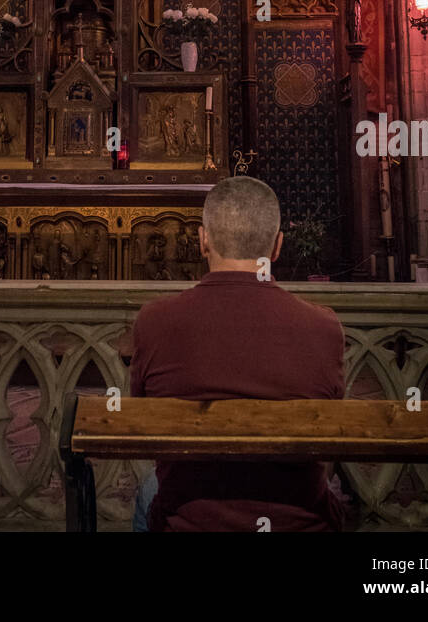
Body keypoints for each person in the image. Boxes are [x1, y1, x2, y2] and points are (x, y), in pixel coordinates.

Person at [129, 176, 345, 532]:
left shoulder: (155, 322)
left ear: (202, 240)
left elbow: (142, 427)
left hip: (189, 521)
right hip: (298, 523)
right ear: (277, 247)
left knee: (148, 490)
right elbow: (330, 442)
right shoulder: (323, 328)